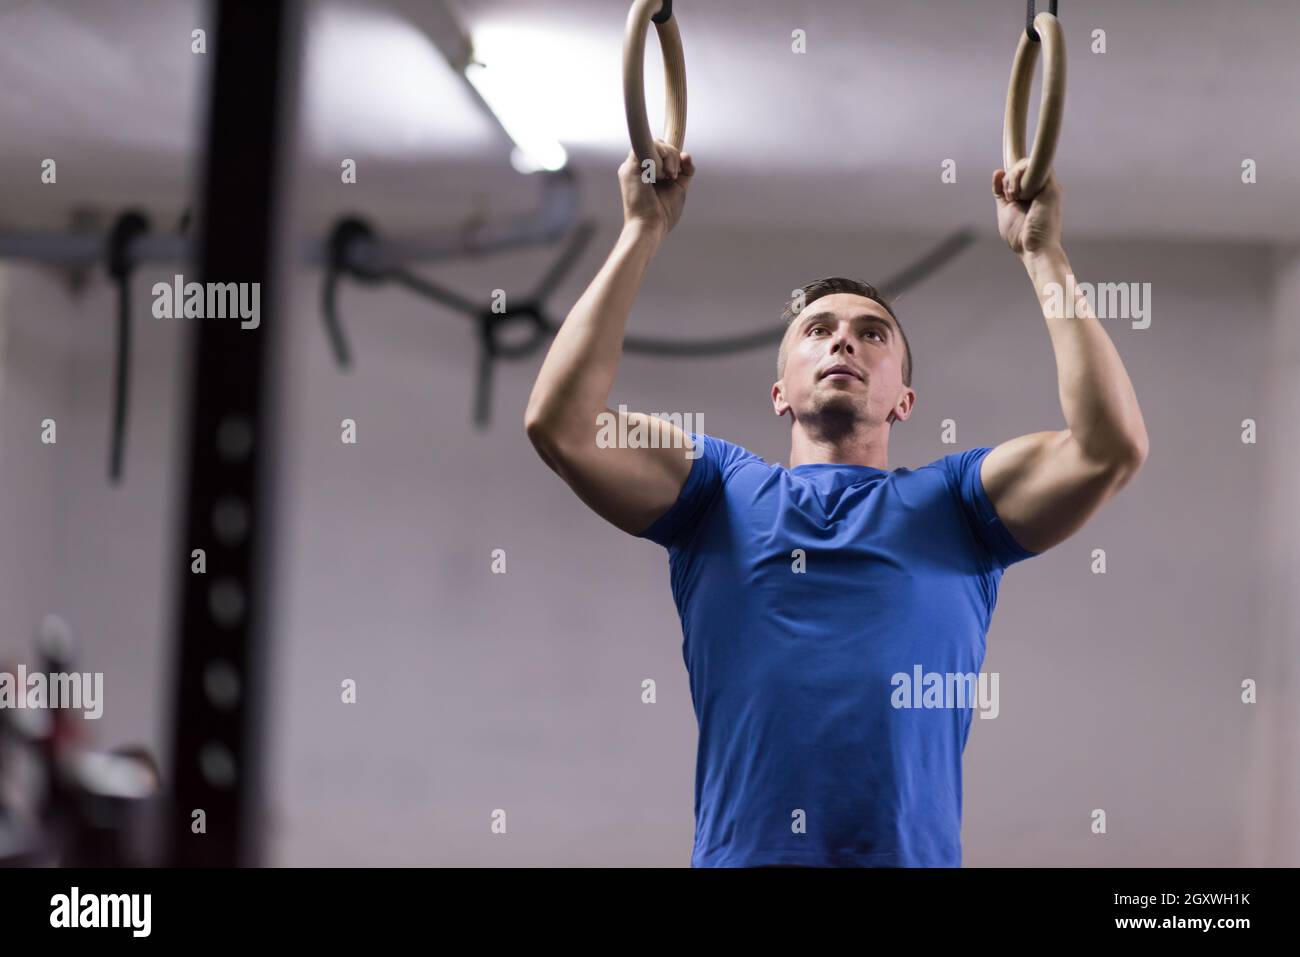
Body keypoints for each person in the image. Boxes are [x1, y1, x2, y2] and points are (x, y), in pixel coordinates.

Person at [523, 141, 1148, 867]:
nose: (844, 339)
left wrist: (1044, 256)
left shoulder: (958, 505)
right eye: (817, 330)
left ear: (904, 400)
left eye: (872, 334)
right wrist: (640, 230)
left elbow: (1110, 447)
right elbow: (559, 422)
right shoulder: (716, 493)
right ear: (780, 391)